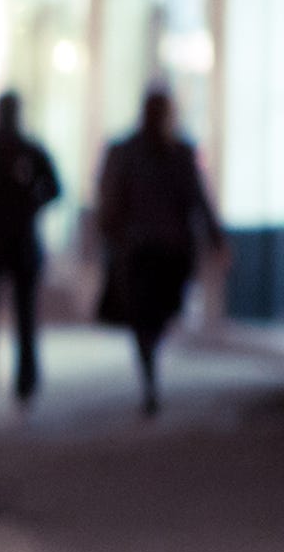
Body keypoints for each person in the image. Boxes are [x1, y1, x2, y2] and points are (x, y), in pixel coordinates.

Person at [96, 90, 227, 417]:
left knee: (155, 312)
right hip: (149, 249)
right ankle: (150, 372)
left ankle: (150, 358)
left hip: (160, 250)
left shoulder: (176, 152)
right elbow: (111, 198)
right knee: (147, 314)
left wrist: (214, 237)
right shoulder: (135, 152)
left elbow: (197, 197)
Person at [0, 92, 61, 407]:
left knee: (10, 315)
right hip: (2, 243)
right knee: (6, 315)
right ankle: (1, 378)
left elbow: (55, 189)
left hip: (13, 243)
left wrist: (27, 202)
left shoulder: (19, 152)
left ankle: (6, 378)